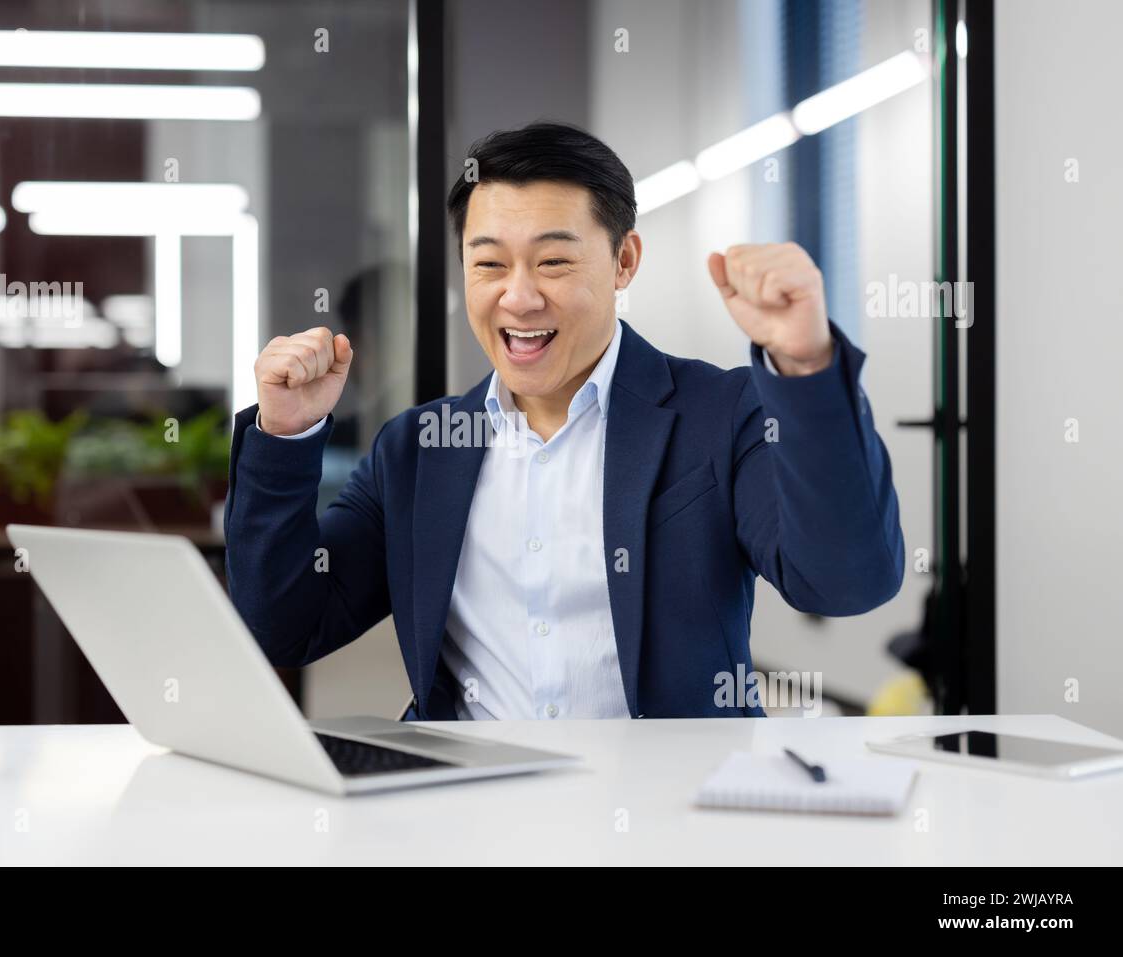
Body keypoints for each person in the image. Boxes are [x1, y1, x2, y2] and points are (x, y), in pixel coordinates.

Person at [225, 121, 904, 721]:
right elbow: (284, 626)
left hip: (663, 813)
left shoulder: (719, 415)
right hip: (468, 809)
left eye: (553, 261)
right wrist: (285, 437)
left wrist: (807, 366)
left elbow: (847, 581)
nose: (518, 296)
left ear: (624, 261)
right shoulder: (418, 449)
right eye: (488, 263)